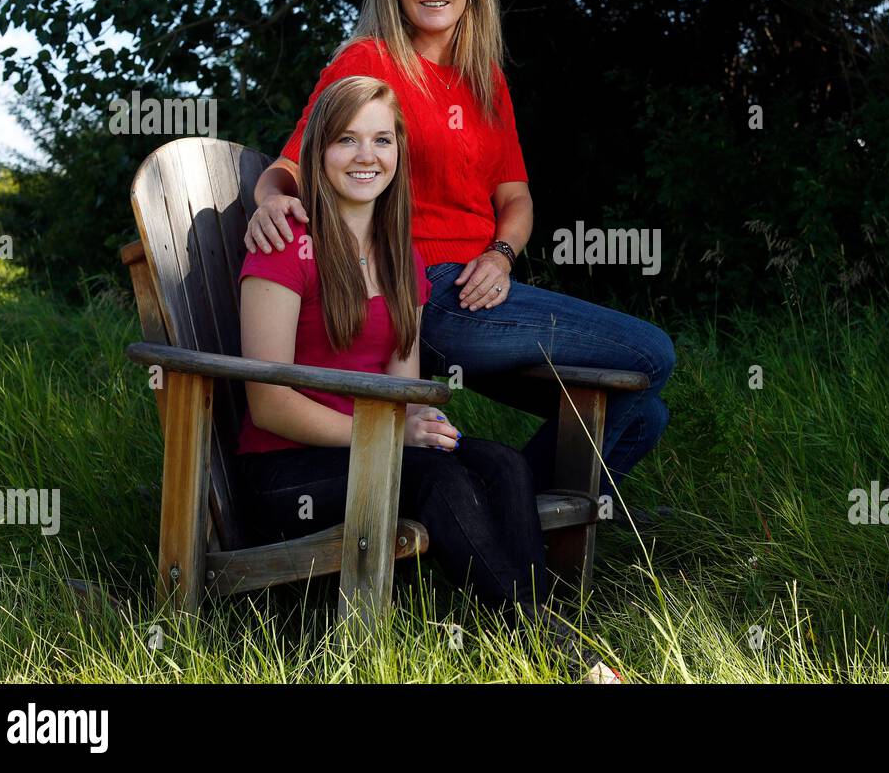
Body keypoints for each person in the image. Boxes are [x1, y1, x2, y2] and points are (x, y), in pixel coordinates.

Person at [242, 0, 675, 518]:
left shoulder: (484, 79)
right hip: (421, 292)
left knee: (639, 410)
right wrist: (269, 201)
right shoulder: (369, 61)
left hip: (484, 291)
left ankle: (494, 519)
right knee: (654, 352)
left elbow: (515, 199)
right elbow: (294, 161)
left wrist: (501, 256)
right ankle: (491, 522)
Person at [236, 74, 620, 682]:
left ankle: (528, 639)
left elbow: (404, 388)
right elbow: (268, 404)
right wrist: (393, 435)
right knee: (437, 479)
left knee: (501, 463)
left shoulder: (400, 255)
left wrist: (422, 422)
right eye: (346, 140)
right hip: (285, 474)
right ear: (317, 153)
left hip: (370, 451)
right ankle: (554, 652)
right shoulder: (284, 247)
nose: (367, 157)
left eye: (382, 140)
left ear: (398, 154)